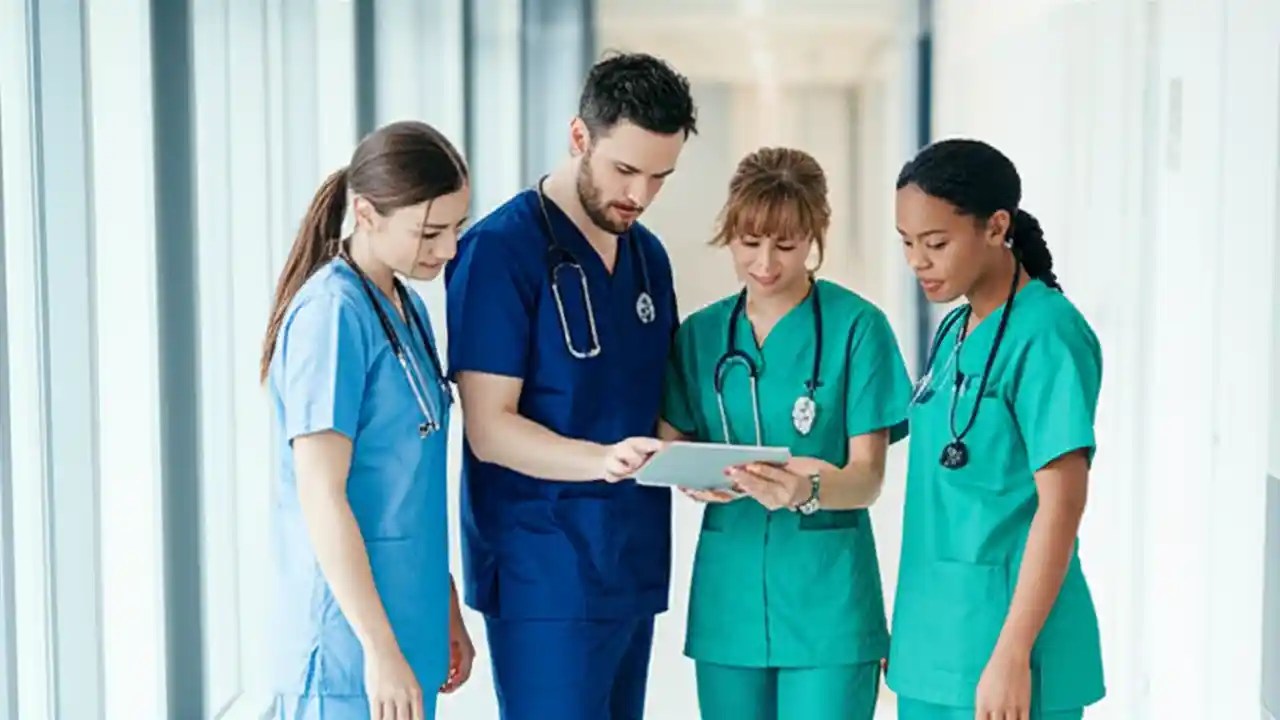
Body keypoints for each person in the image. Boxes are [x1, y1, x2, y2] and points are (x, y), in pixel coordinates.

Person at [443, 52, 697, 719]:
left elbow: (652, 395)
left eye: (658, 178)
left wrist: (687, 458)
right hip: (544, 570)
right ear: (579, 137)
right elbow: (491, 428)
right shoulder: (500, 251)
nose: (639, 195)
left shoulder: (648, 256)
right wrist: (601, 461)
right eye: (625, 170)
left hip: (629, 561)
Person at [658, 147, 913, 720]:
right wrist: (690, 477)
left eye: (787, 244)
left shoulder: (858, 329)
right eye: (749, 243)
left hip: (829, 602)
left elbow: (866, 478)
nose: (766, 263)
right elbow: (666, 445)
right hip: (731, 597)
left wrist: (806, 490)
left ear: (815, 236)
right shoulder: (701, 335)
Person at [262, 120, 476, 720]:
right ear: (367, 213)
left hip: (408, 621)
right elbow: (322, 494)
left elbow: (407, 483)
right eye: (430, 232)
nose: (449, 250)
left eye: (457, 228)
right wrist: (379, 649)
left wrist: (444, 601)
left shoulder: (405, 308)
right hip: (348, 645)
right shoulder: (332, 315)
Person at [887, 138, 1106, 720]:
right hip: (935, 644)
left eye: (936, 243)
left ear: (996, 226)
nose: (917, 261)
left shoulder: (1047, 334)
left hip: (1007, 653)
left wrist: (1012, 654)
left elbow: (1062, 505)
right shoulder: (957, 328)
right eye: (907, 243)